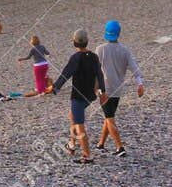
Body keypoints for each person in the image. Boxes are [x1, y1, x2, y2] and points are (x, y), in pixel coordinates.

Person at [48, 29, 105, 163]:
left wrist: (55, 87)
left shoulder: (76, 58)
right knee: (72, 116)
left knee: (79, 124)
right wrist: (103, 91)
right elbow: (100, 75)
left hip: (79, 96)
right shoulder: (94, 56)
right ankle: (72, 144)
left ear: (74, 42)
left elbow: (66, 74)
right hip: (90, 95)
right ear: (87, 41)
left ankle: (87, 155)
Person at [96, 20, 144, 157]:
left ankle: (119, 147)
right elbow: (135, 68)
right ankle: (101, 143)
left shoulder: (100, 49)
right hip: (118, 90)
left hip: (103, 90)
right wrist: (140, 84)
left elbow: (94, 70)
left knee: (109, 118)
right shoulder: (125, 50)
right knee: (108, 116)